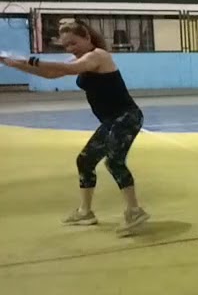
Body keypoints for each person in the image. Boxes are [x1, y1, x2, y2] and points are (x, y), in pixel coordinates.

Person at [1, 20, 150, 233]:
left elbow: (67, 69)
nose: (70, 49)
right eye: (66, 46)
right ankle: (85, 212)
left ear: (87, 37)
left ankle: (135, 210)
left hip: (127, 117)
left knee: (114, 162)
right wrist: (13, 63)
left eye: (73, 43)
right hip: (111, 121)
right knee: (85, 160)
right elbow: (51, 73)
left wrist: (27, 60)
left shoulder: (98, 56)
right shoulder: (82, 58)